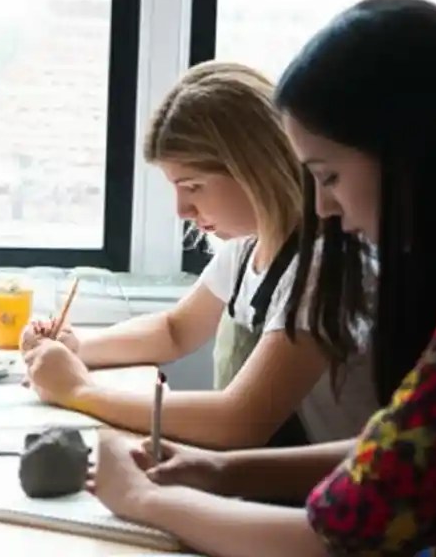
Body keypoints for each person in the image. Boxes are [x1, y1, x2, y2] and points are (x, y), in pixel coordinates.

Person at [90, 0, 436, 556]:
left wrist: (142, 500)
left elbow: (329, 538)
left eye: (330, 176)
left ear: (411, 153)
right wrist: (221, 471)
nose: (322, 208)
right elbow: (400, 452)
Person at [21, 61, 376, 449]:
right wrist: (77, 350)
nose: (181, 210)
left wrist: (78, 390)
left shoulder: (323, 271)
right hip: (253, 476)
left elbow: (239, 421)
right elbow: (174, 330)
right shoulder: (245, 250)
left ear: (254, 169)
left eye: (193, 186)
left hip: (314, 495)